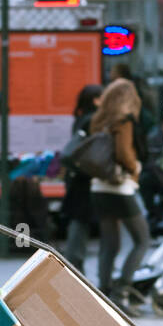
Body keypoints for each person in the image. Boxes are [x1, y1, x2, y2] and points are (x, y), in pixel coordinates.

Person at [88, 78, 151, 316]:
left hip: (99, 188)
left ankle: (104, 292)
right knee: (142, 239)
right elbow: (124, 152)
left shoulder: (99, 120)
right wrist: (135, 168)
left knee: (109, 243)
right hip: (120, 189)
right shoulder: (123, 121)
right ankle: (121, 292)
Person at [62, 83, 102, 279]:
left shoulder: (79, 119)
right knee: (80, 224)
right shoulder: (92, 121)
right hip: (85, 180)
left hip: (76, 178)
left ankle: (75, 267)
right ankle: (75, 269)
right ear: (96, 100)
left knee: (79, 223)